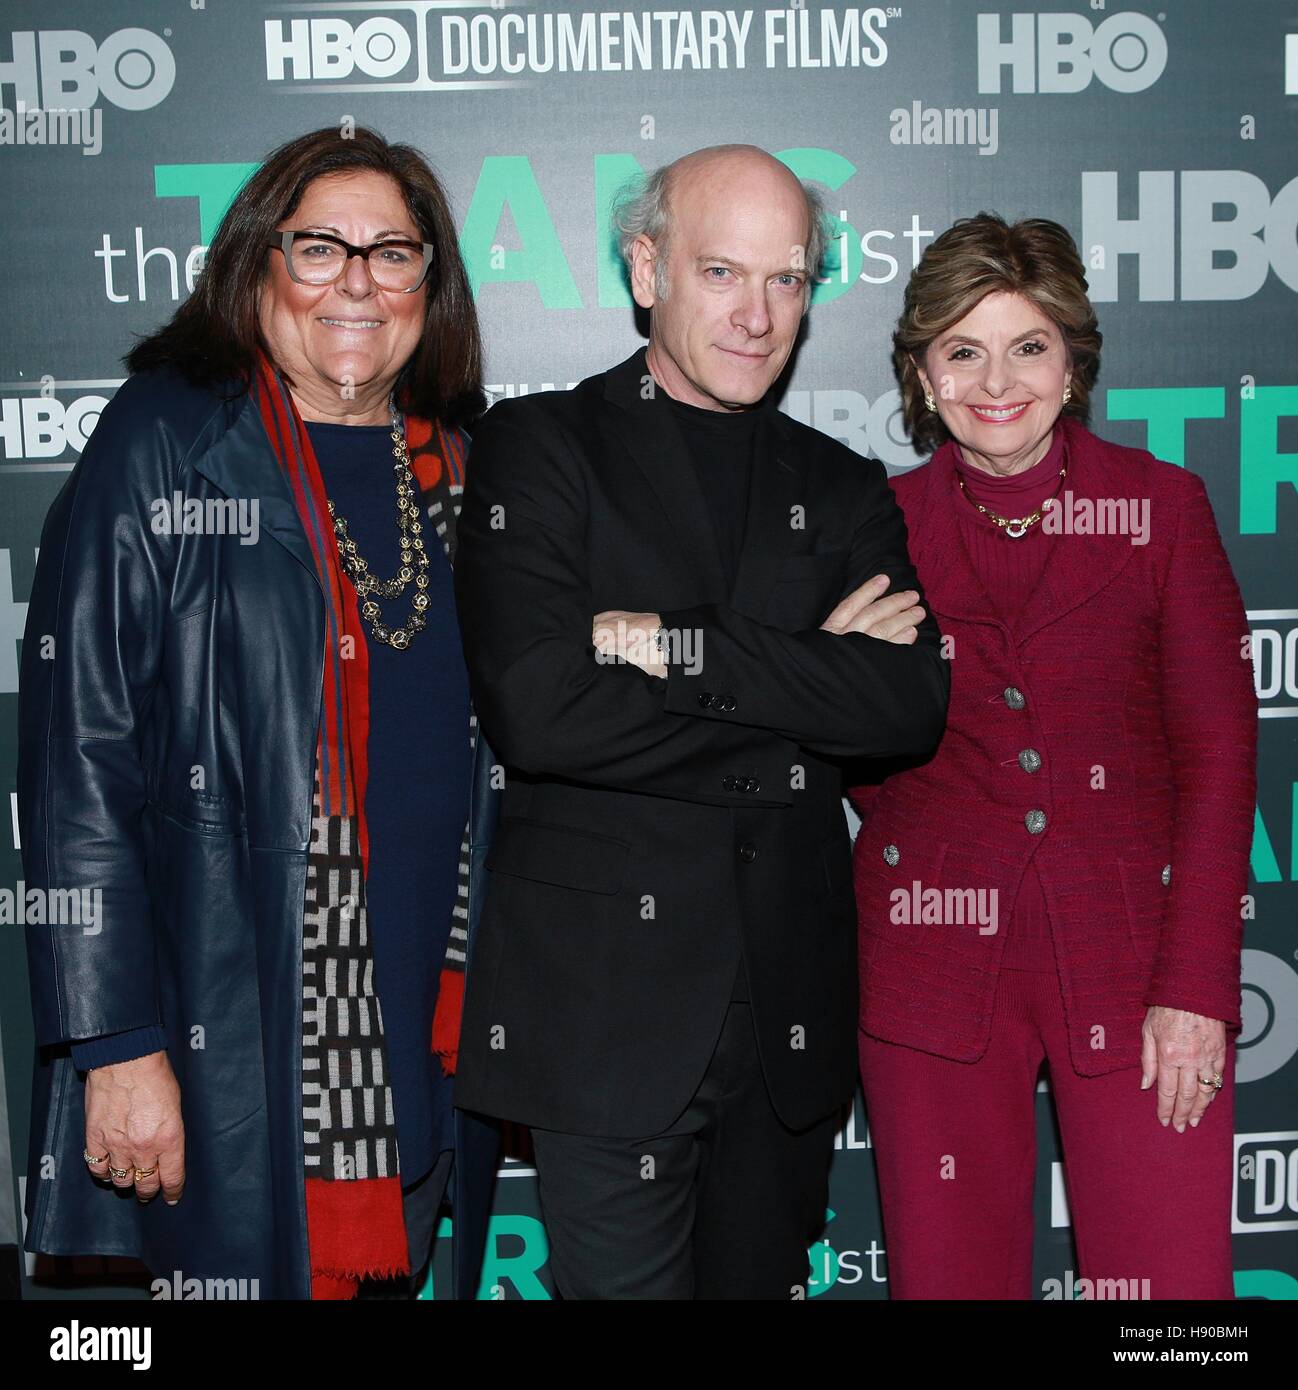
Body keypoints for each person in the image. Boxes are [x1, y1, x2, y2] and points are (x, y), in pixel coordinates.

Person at [450, 144, 950, 1299]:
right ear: (645, 267)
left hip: (784, 1013)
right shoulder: (540, 447)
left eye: (788, 280)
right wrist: (803, 691)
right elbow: (542, 714)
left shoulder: (839, 482)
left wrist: (675, 645)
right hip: (600, 1017)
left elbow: (904, 701)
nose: (758, 314)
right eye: (722, 272)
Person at [19, 126, 500, 1300]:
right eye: (319, 247)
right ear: (255, 263)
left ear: (429, 286)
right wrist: (118, 1045)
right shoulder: (171, 441)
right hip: (224, 1035)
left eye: (392, 253)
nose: (355, 283)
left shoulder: (460, 470)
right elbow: (81, 756)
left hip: (419, 1040)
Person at [848, 212, 1257, 1299]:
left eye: (1027, 345)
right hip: (930, 971)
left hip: (1136, 972)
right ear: (922, 374)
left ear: (1071, 359)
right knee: (947, 1282)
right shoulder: (872, 530)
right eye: (962, 351)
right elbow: (852, 750)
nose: (997, 381)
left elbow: (1217, 757)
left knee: (1169, 1302)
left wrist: (1194, 989)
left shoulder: (1162, 510)